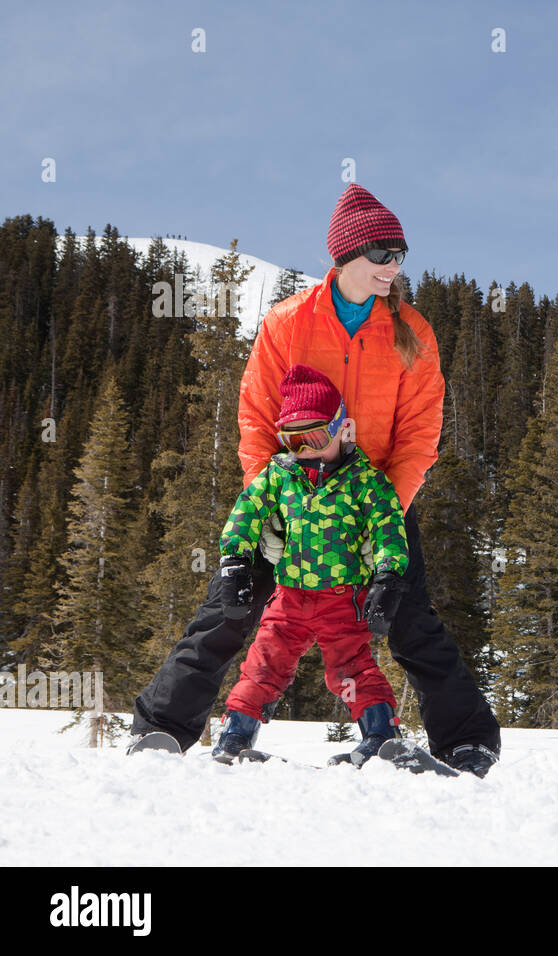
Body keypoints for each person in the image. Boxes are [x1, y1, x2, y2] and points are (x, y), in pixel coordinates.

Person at [132, 184, 501, 777]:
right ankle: (162, 731)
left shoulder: (413, 331)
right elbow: (255, 416)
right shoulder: (289, 321)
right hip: (287, 492)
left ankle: (467, 741)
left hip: (372, 498)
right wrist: (273, 499)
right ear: (345, 256)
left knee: (408, 618)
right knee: (231, 607)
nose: (393, 267)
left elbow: (418, 435)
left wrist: (379, 515)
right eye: (382, 254)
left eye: (400, 255)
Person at [211, 365, 409, 766]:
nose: (305, 450)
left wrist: (389, 577)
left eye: (315, 437)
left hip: (342, 599)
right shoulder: (280, 475)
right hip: (290, 598)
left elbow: (388, 525)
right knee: (264, 662)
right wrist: (234, 562)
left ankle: (380, 737)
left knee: (351, 671)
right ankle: (235, 735)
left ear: (341, 428)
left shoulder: (364, 480)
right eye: (293, 441)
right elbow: (246, 511)